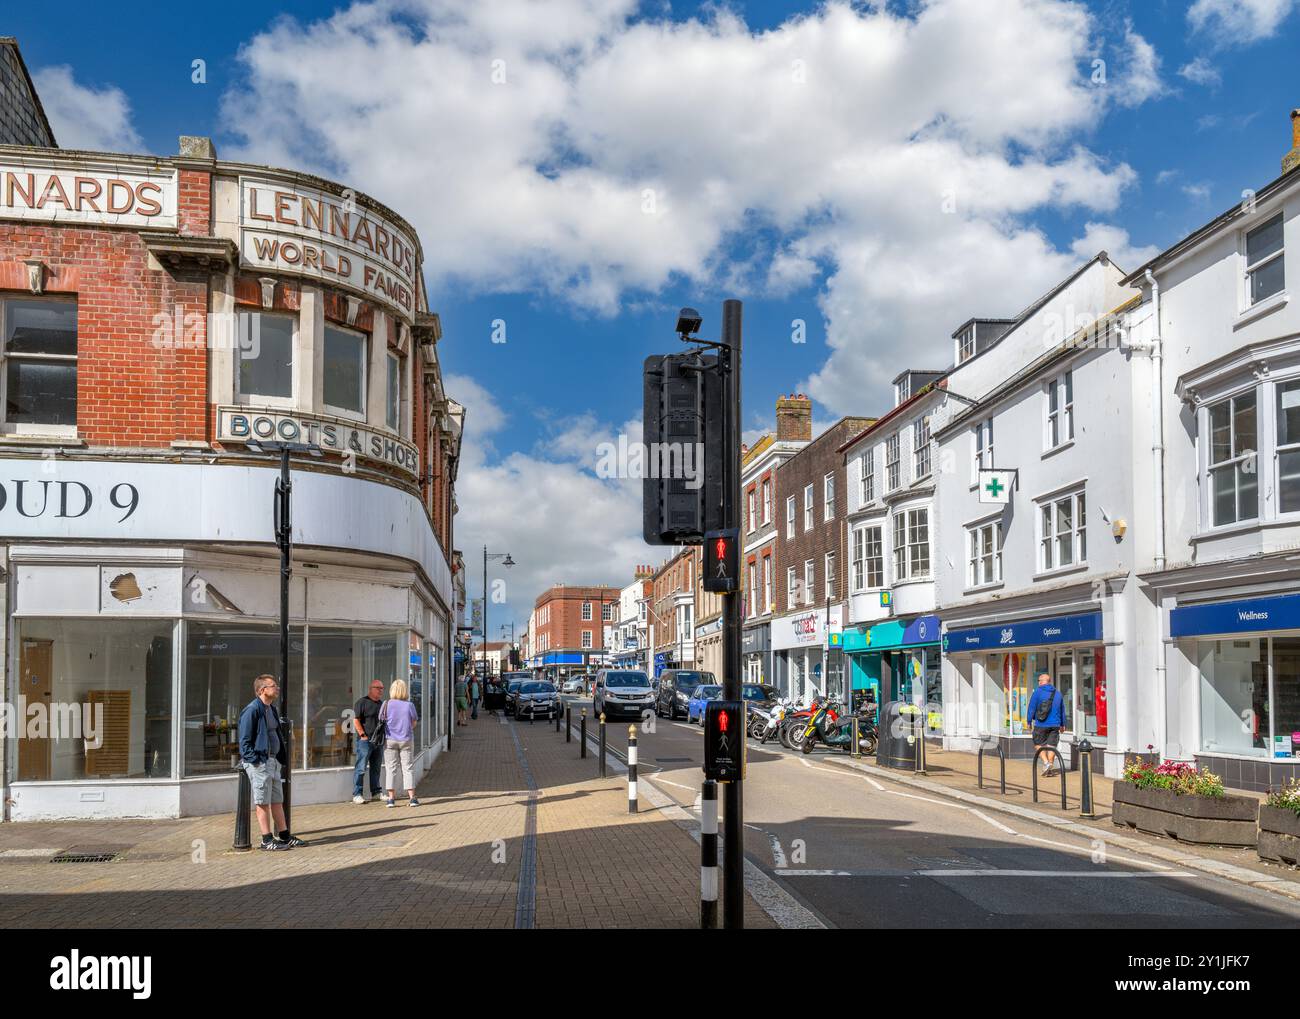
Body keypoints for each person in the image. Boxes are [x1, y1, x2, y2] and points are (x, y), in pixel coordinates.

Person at [237, 674, 306, 850]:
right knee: (262, 801)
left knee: (276, 800)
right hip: (260, 762)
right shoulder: (252, 710)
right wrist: (256, 761)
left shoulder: (271, 709)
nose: (277, 688)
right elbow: (244, 741)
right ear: (262, 690)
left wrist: (278, 758)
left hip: (273, 761)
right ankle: (266, 840)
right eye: (273, 686)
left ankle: (284, 836)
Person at [381, 679, 421, 807]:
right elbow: (414, 721)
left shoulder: (386, 704)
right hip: (406, 739)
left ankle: (391, 799)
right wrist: (406, 728)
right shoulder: (409, 705)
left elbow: (381, 720)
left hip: (390, 740)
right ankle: (412, 798)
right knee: (408, 768)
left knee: (390, 768)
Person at [352, 679, 386, 803]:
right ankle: (357, 794)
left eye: (382, 688)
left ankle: (376, 792)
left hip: (378, 742)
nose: (381, 690)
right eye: (378, 688)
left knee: (376, 768)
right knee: (361, 768)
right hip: (365, 742)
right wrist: (362, 734)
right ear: (371, 688)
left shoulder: (382, 705)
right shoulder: (362, 702)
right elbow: (356, 720)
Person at [1025, 672, 1066, 775]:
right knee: (1052, 745)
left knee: (1038, 743)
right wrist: (1062, 724)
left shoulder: (1038, 692)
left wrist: (1029, 721)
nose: (1038, 682)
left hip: (1041, 724)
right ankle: (1050, 767)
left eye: (1039, 680)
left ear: (1043, 681)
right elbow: (1062, 710)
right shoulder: (1057, 693)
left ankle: (1046, 762)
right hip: (1055, 724)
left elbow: (1032, 708)